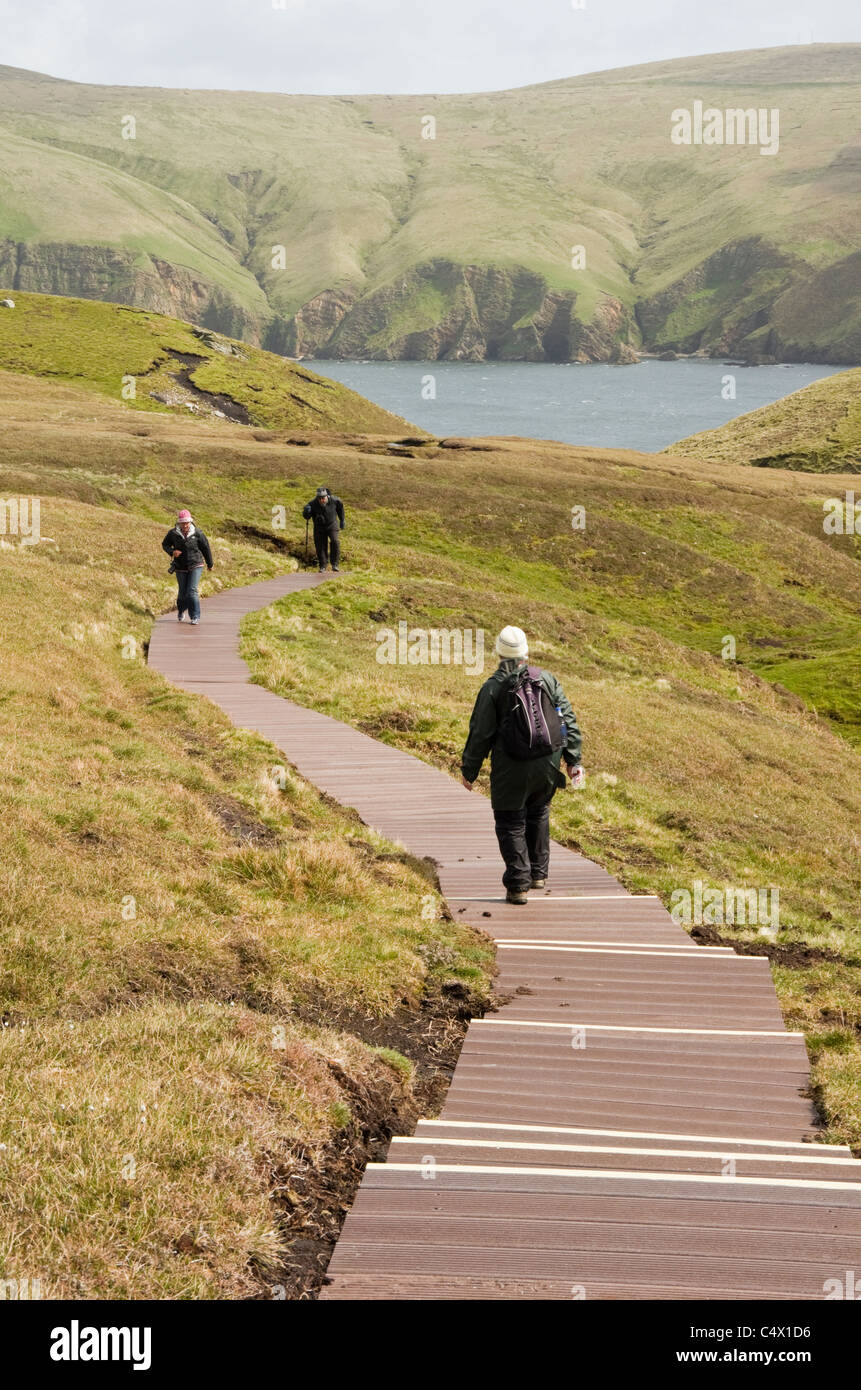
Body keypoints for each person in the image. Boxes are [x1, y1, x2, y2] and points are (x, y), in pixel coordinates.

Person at [460, 625, 584, 904]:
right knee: (538, 811)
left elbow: (481, 733)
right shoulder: (548, 680)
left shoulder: (493, 688)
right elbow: (567, 721)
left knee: (510, 821)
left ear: (498, 654)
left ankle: (518, 885)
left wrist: (470, 770)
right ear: (526, 653)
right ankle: (538, 873)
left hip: (511, 767)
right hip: (547, 763)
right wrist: (573, 759)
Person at [161, 508, 214, 625]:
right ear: (179, 522)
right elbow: (164, 544)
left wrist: (210, 564)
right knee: (182, 593)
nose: (185, 525)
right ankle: (181, 610)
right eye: (183, 522)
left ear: (190, 522)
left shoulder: (198, 533)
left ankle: (195, 616)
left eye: (187, 522)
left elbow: (206, 548)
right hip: (180, 566)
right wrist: (172, 552)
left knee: (192, 590)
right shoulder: (173, 533)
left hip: (196, 564)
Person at [302, 486, 345, 571]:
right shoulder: (312, 503)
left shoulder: (335, 500)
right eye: (319, 498)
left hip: (332, 524)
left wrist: (342, 520)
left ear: (327, 496)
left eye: (323, 498)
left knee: (335, 541)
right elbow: (307, 517)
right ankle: (323, 565)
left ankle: (335, 564)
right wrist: (306, 512)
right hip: (319, 527)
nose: (322, 500)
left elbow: (340, 509)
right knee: (320, 546)